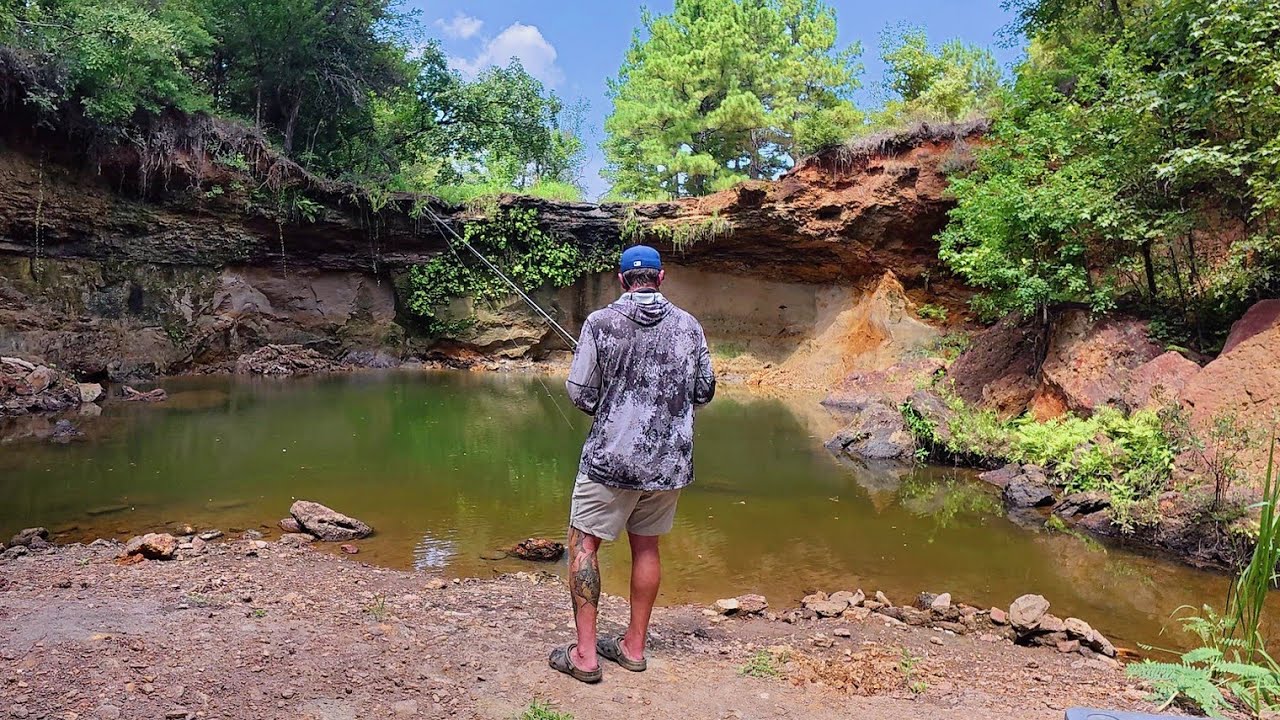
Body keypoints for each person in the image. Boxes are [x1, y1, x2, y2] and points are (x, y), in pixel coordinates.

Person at [548, 244, 716, 683]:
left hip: (610, 461)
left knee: (584, 545)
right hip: (668, 464)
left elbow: (581, 393)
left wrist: (613, 400)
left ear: (621, 280)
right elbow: (704, 391)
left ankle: (585, 656)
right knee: (647, 548)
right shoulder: (690, 326)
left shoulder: (600, 323)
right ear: (661, 278)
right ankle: (633, 647)